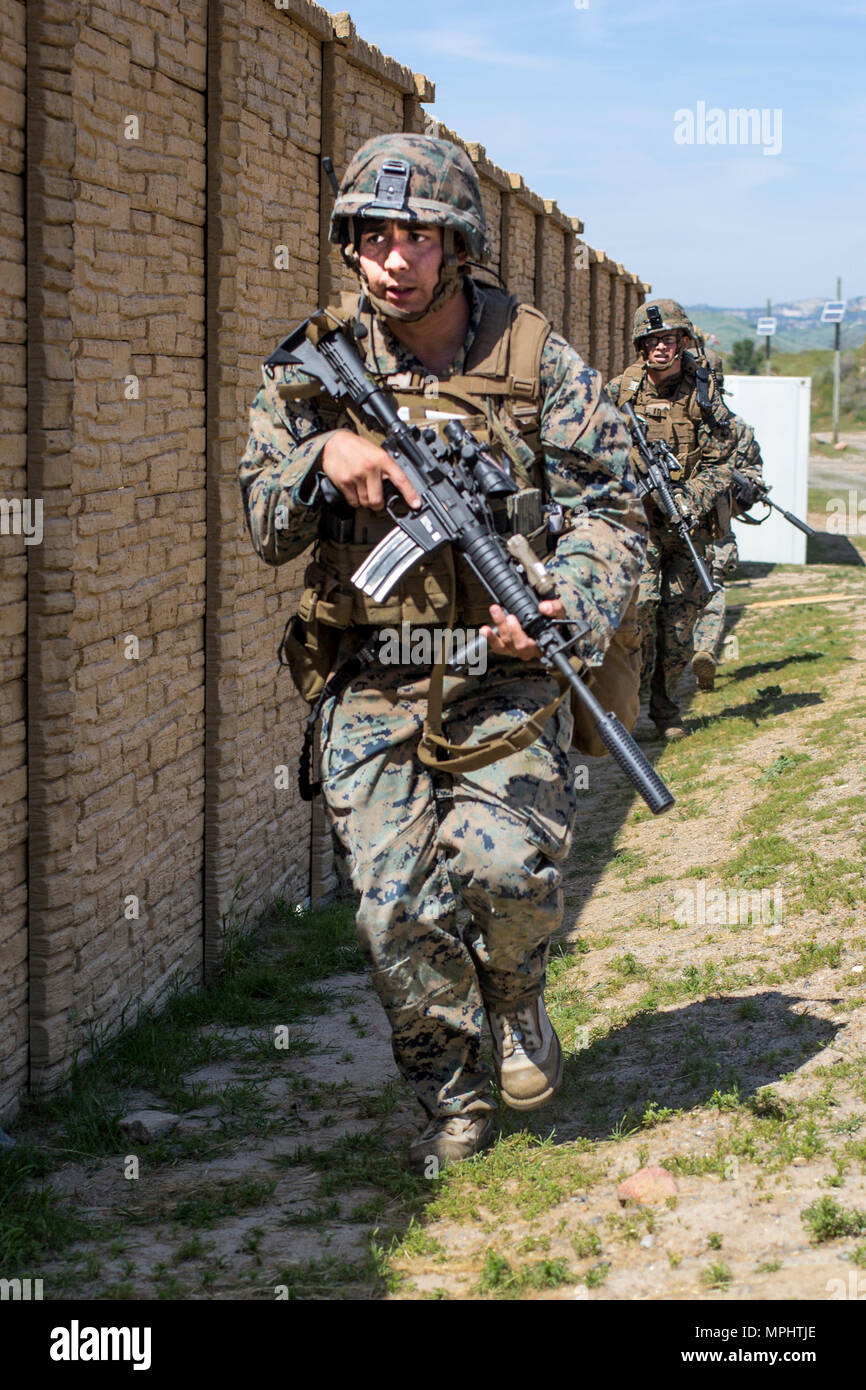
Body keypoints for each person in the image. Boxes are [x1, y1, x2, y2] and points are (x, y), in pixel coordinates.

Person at [238, 133, 646, 1170]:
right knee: (394, 909)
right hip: (367, 671)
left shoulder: (536, 359)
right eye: (373, 235)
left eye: (416, 235)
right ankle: (447, 1095)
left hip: (499, 666)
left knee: (503, 872)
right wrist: (323, 459)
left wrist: (566, 599)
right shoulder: (313, 369)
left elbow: (611, 509)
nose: (393, 259)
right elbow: (261, 517)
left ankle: (515, 998)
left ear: (456, 244)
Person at [607, 299, 736, 739]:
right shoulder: (620, 390)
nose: (661, 348)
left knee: (678, 624)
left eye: (669, 339)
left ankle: (665, 712)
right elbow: (595, 451)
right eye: (652, 340)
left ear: (683, 341)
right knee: (639, 612)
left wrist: (689, 497)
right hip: (640, 523)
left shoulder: (704, 390)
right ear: (641, 344)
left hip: (690, 524)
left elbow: (726, 460)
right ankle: (628, 709)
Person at [687, 331, 766, 691]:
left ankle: (701, 652)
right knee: (710, 592)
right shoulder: (688, 424)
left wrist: (738, 482)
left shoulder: (737, 432)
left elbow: (753, 483)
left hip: (713, 525)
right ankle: (700, 649)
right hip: (693, 524)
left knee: (707, 589)